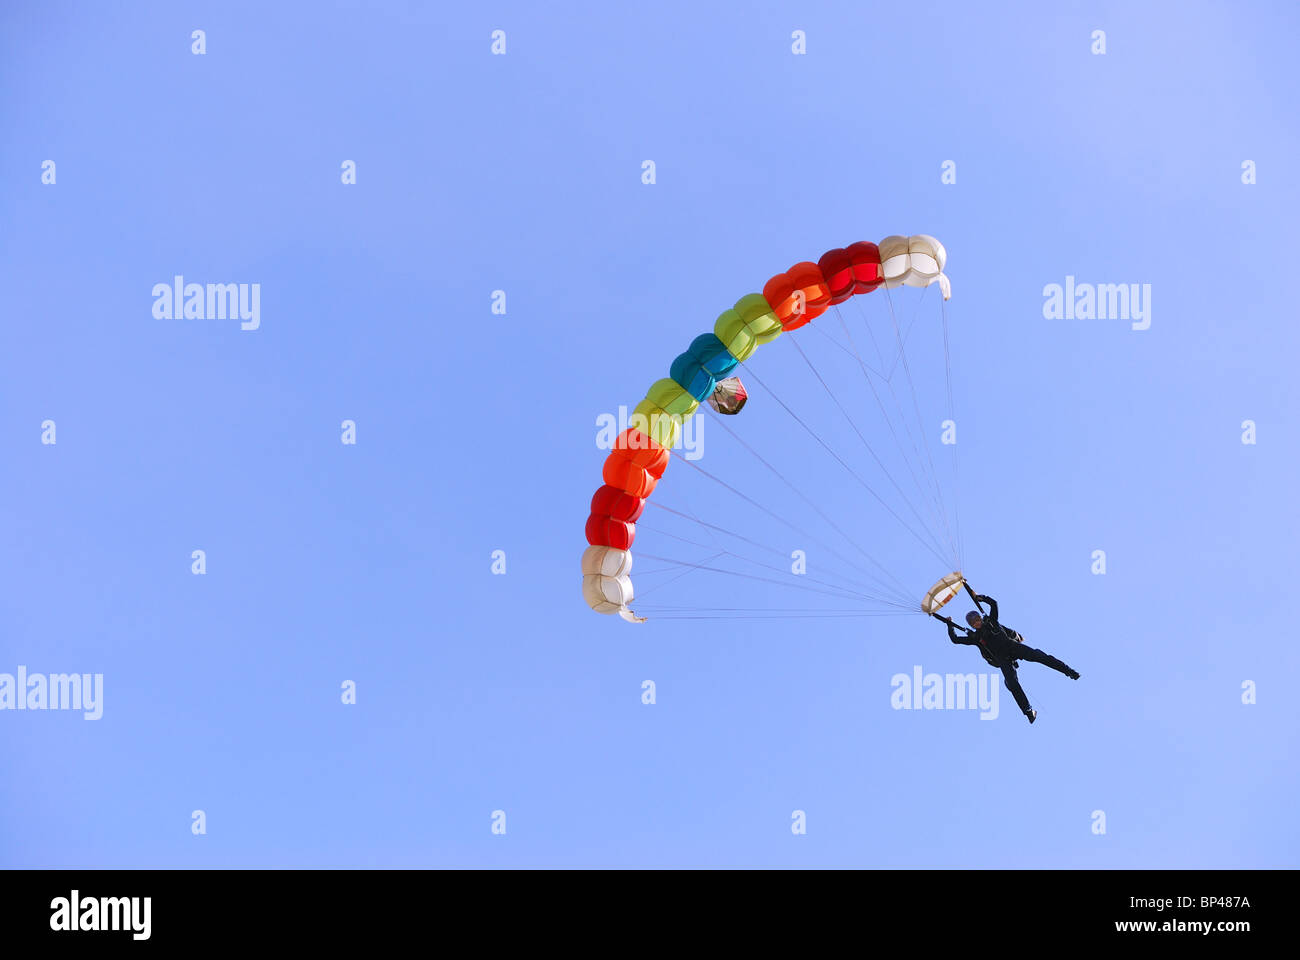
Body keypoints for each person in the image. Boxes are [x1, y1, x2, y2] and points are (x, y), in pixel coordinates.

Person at [941, 593, 1079, 724]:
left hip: (1012, 647)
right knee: (1012, 683)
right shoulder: (976, 638)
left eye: (977, 619)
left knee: (1040, 656)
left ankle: (1068, 671)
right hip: (1002, 659)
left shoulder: (992, 622)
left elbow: (994, 604)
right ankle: (1028, 711)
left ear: (980, 618)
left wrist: (981, 598)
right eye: (973, 623)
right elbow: (955, 640)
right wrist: (949, 625)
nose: (976, 623)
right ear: (971, 626)